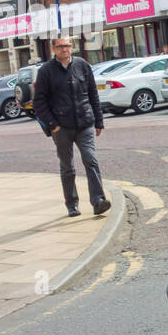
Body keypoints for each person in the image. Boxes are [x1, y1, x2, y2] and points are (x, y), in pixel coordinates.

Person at [33, 37, 110, 217]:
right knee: (67, 166)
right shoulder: (46, 71)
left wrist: (98, 121)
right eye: (60, 47)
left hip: (85, 123)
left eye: (67, 46)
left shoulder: (83, 65)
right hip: (61, 127)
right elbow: (39, 102)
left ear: (71, 47)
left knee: (90, 159)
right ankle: (72, 204)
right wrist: (53, 125)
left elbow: (93, 94)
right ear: (53, 49)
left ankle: (98, 200)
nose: (64, 49)